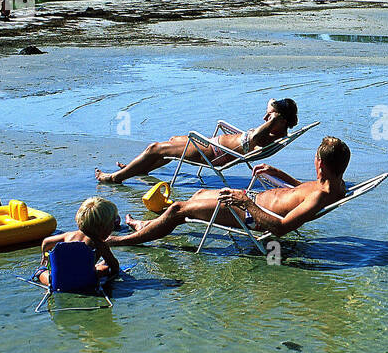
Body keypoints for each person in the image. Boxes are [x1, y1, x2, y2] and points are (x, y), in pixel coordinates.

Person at [108, 136, 350, 247]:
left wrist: (246, 202)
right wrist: (280, 174)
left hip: (249, 214)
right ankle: (149, 227)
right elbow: (300, 193)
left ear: (321, 164)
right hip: (250, 202)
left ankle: (125, 240)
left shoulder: (321, 193)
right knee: (197, 196)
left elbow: (281, 228)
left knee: (178, 209)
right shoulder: (336, 184)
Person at [96, 97, 299, 185]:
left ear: (279, 119)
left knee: (154, 148)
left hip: (214, 153)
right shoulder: (277, 131)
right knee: (173, 140)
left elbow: (253, 138)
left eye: (269, 116)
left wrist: (273, 118)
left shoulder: (270, 133)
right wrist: (274, 114)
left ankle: (116, 177)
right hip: (213, 145)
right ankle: (138, 169)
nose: (265, 118)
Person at [34, 197, 121, 287]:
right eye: (112, 224)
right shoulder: (100, 245)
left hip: (58, 282)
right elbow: (114, 267)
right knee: (104, 268)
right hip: (84, 281)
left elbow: (46, 242)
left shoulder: (68, 236)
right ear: (104, 227)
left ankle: (39, 271)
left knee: (41, 271)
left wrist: (45, 256)